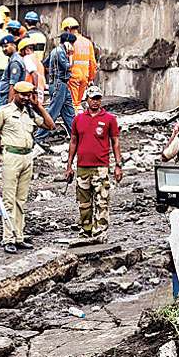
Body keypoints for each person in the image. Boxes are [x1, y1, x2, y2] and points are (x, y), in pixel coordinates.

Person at [0, 81, 53, 253]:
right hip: (11, 157)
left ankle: (19, 236)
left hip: (27, 157)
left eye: (28, 95)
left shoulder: (30, 113)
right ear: (14, 93)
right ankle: (8, 238)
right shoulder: (4, 112)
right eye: (22, 94)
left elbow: (50, 126)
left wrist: (39, 106)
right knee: (8, 200)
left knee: (21, 200)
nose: (25, 98)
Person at [64, 86, 122, 241]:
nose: (95, 102)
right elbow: (73, 141)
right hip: (82, 167)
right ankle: (86, 230)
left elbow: (115, 142)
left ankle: (100, 231)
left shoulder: (109, 119)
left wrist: (118, 164)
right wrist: (69, 165)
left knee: (102, 200)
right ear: (87, 100)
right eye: (92, 98)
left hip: (101, 167)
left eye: (98, 98)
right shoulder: (78, 119)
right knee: (84, 203)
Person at [37, 32, 75, 142]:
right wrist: (71, 56)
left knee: (69, 111)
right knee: (53, 111)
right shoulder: (60, 52)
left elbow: (44, 63)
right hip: (59, 84)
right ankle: (39, 138)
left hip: (61, 83)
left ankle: (76, 135)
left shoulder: (55, 51)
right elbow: (68, 67)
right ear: (68, 43)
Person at [62, 17, 98, 109]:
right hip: (84, 76)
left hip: (73, 76)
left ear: (68, 29)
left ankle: (76, 121)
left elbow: (64, 61)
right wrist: (91, 78)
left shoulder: (69, 43)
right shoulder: (87, 42)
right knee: (78, 103)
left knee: (73, 104)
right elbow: (93, 62)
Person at [0, 34, 25, 110]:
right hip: (5, 95)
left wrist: (10, 104)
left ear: (14, 45)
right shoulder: (12, 59)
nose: (4, 49)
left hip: (8, 96)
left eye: (6, 46)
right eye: (2, 47)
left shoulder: (15, 62)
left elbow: (13, 84)